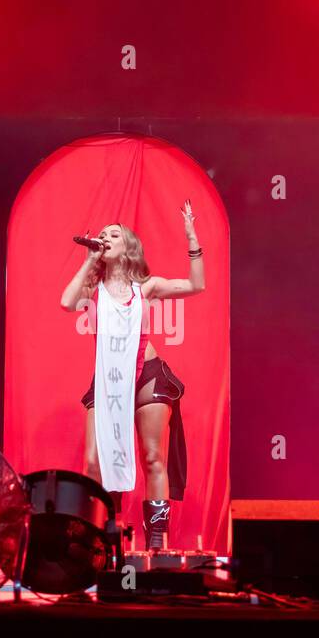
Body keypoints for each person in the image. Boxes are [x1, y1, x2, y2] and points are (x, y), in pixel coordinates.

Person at [59, 202, 205, 549]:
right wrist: (89, 260)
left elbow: (196, 285)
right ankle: (105, 537)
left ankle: (157, 539)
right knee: (95, 459)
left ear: (128, 247)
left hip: (146, 376)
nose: (106, 238)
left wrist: (191, 238)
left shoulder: (147, 287)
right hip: (109, 379)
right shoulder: (94, 290)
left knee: (152, 456)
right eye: (103, 235)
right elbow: (66, 302)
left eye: (114, 235)